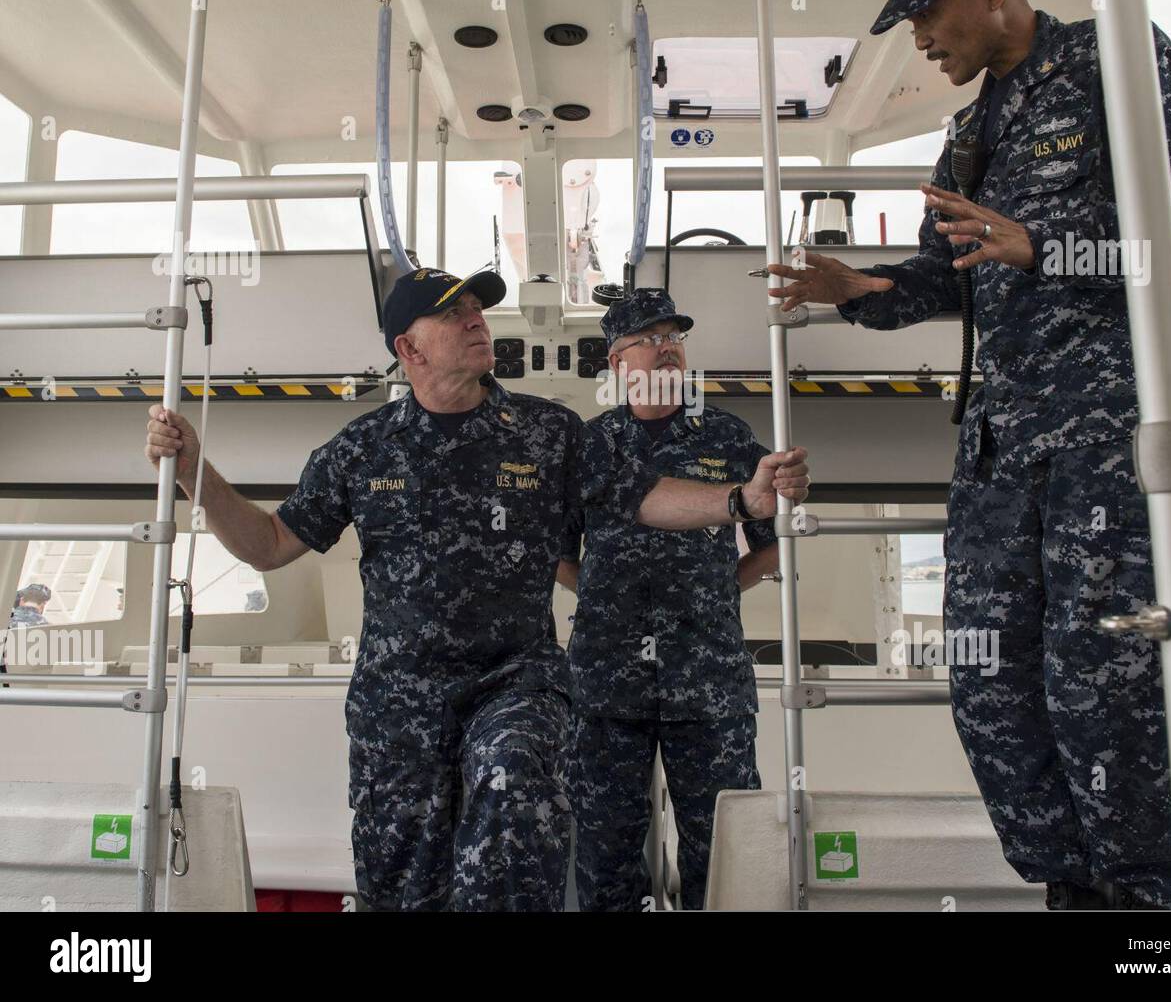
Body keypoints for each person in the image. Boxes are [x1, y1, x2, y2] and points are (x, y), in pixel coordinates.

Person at [769, 0, 1171, 910]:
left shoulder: (1117, 61)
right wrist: (858, 291)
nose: (921, 40)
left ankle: (1152, 911)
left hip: (1107, 447)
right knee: (992, 695)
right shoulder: (973, 126)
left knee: (1112, 699)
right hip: (999, 457)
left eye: (927, 14)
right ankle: (1070, 890)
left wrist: (1045, 242)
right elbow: (951, 275)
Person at [145, 265, 808, 912]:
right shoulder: (362, 448)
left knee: (514, 774)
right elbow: (267, 545)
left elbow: (645, 497)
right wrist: (195, 474)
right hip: (398, 700)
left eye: (478, 309)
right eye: (453, 314)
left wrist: (741, 500)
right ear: (408, 348)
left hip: (514, 681)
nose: (475, 321)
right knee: (405, 881)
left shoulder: (548, 432)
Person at [557, 289, 779, 911]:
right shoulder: (587, 446)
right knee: (606, 853)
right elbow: (557, 550)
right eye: (650, 341)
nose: (667, 350)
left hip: (707, 680)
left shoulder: (729, 436)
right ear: (617, 361)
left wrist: (717, 592)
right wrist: (604, 598)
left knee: (726, 848)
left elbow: (774, 541)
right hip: (606, 683)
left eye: (675, 338)